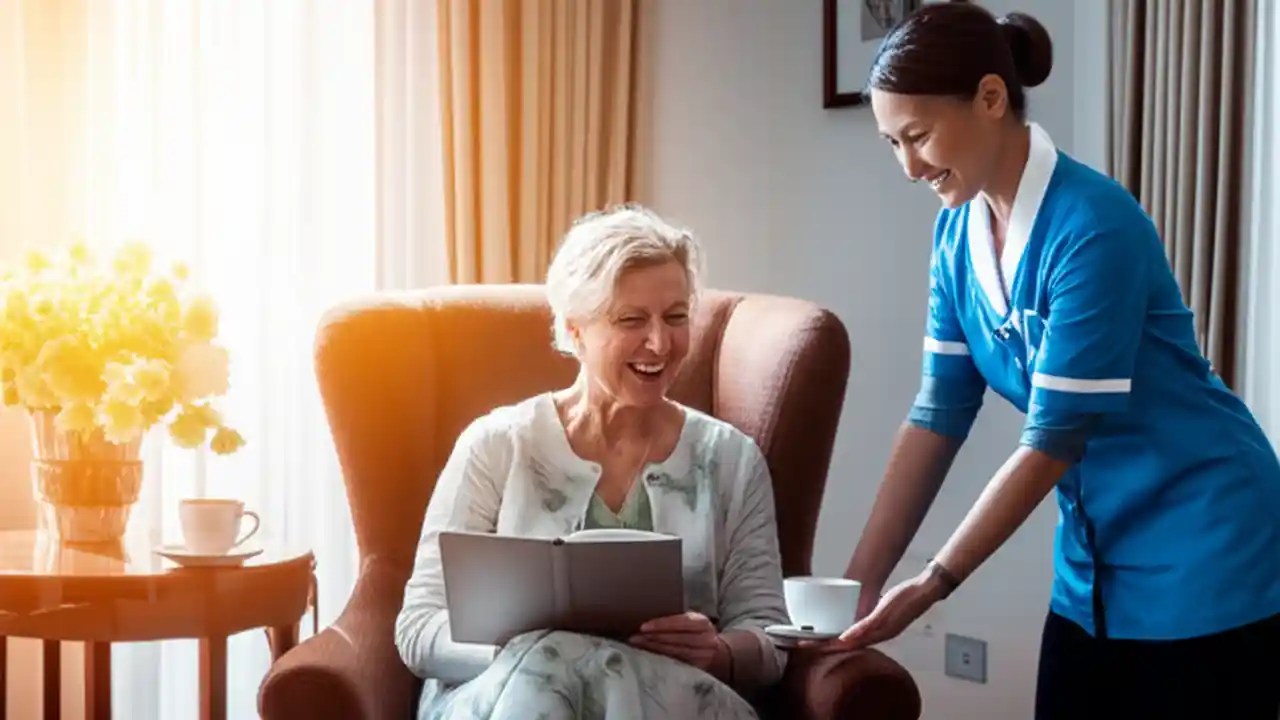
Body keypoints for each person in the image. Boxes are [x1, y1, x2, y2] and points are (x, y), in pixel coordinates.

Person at [827, 3, 1280, 719]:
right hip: (1091, 564)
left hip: (1206, 545)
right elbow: (938, 415)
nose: (907, 167)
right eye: (891, 143)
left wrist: (933, 582)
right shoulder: (956, 240)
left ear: (990, 97)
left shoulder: (1094, 226)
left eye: (917, 136)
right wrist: (856, 585)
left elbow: (1053, 439)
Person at [394, 204, 790, 720]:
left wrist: (718, 652)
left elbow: (771, 638)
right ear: (574, 330)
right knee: (550, 669)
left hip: (669, 703)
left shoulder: (730, 459)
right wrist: (529, 651)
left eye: (675, 317)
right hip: (506, 697)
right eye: (631, 320)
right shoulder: (496, 445)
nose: (660, 343)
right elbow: (418, 626)